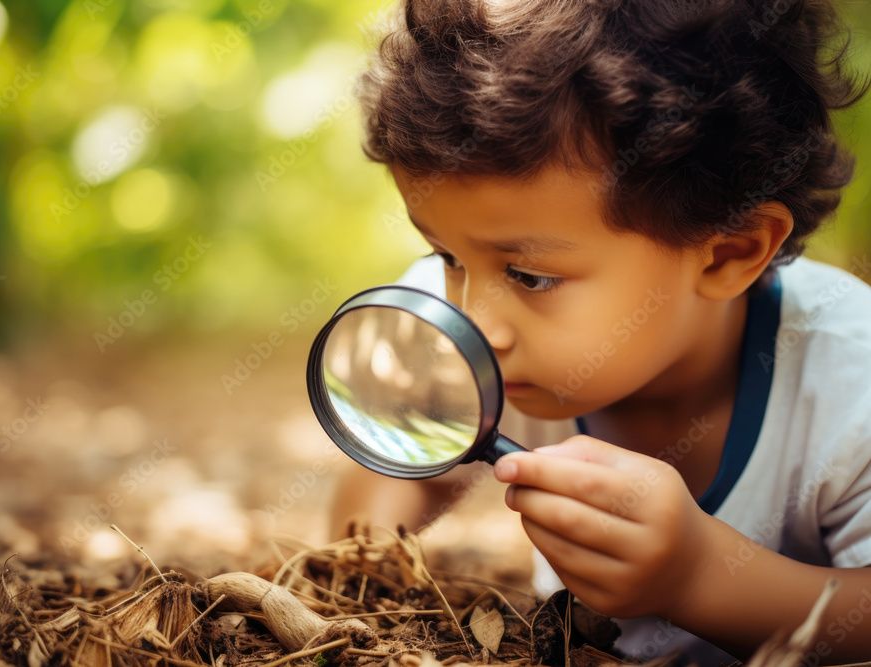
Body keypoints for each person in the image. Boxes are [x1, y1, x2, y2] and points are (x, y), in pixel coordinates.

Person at [328, 0, 871, 663]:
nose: (472, 317)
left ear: (729, 252)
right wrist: (374, 551)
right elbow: (391, 470)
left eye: (527, 275)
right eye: (448, 256)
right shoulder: (443, 330)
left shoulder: (851, 379)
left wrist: (699, 576)